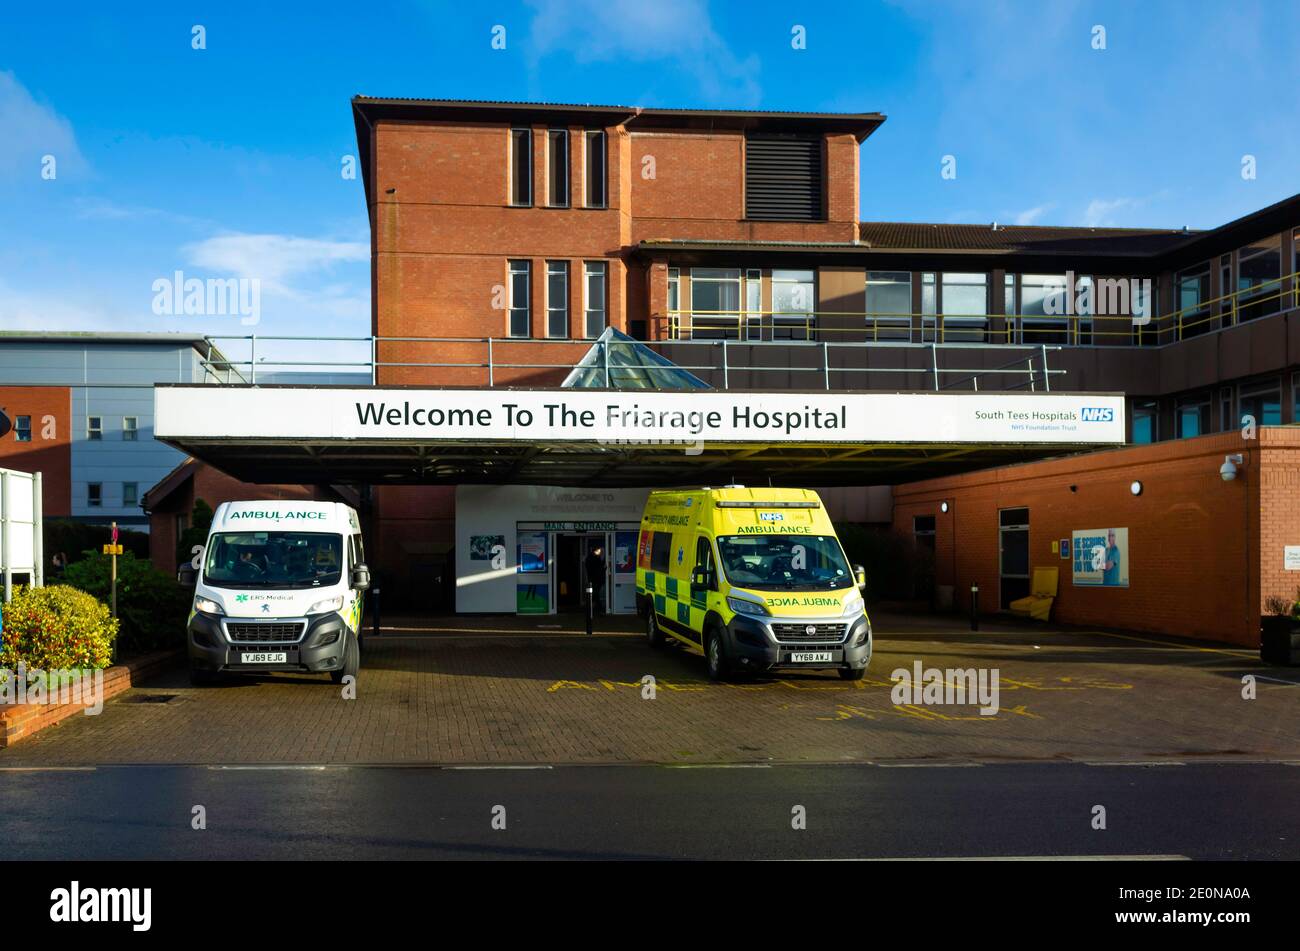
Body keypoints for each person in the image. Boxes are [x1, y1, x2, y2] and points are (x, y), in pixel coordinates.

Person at [584, 544, 607, 614]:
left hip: (594, 579)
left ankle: (592, 608)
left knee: (595, 594)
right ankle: (597, 609)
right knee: (595, 594)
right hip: (596, 579)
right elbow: (598, 569)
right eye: (598, 551)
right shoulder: (593, 558)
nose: (599, 552)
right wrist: (604, 568)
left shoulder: (591, 558)